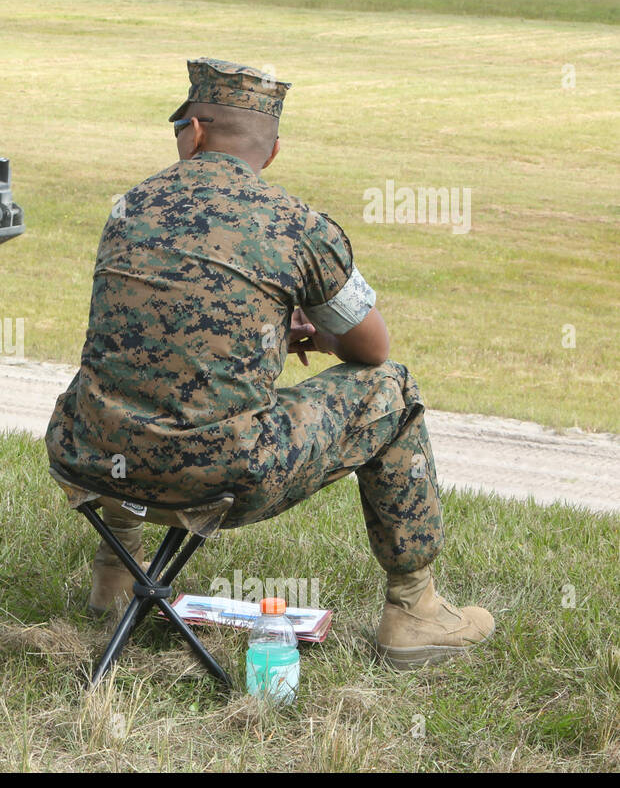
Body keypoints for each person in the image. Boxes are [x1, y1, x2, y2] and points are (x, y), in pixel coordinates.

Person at [45, 58, 494, 670]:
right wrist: (300, 328)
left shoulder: (130, 206)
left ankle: (114, 576)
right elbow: (372, 352)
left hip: (88, 454)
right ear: (273, 151)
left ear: (195, 132)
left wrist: (264, 329)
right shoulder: (299, 225)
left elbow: (159, 333)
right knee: (392, 389)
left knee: (127, 374)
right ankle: (413, 610)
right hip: (220, 474)